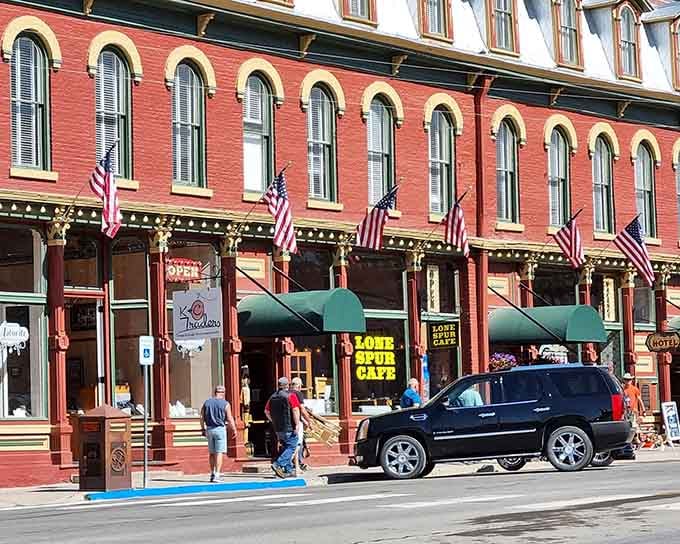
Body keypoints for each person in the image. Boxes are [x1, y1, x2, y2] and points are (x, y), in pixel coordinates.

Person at [265, 377, 301, 478]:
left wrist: (274, 421)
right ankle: (278, 464)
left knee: (285, 447)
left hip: (278, 428)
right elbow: (295, 410)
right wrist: (297, 424)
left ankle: (288, 470)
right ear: (287, 385)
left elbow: (266, 411)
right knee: (292, 446)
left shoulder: (272, 397)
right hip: (289, 427)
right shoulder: (291, 396)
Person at [200, 385, 237, 483]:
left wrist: (202, 428)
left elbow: (201, 416)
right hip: (220, 429)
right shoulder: (225, 404)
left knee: (212, 453)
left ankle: (212, 473)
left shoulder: (207, 403)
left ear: (215, 392)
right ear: (223, 393)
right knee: (219, 452)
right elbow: (229, 418)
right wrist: (234, 429)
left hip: (209, 429)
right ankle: (217, 474)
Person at [291, 377, 313, 472]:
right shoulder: (298, 394)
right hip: (296, 424)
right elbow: (302, 410)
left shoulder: (288, 393)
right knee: (297, 445)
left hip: (288, 423)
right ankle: (284, 463)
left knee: (293, 444)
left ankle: (296, 465)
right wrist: (309, 421)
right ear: (299, 386)